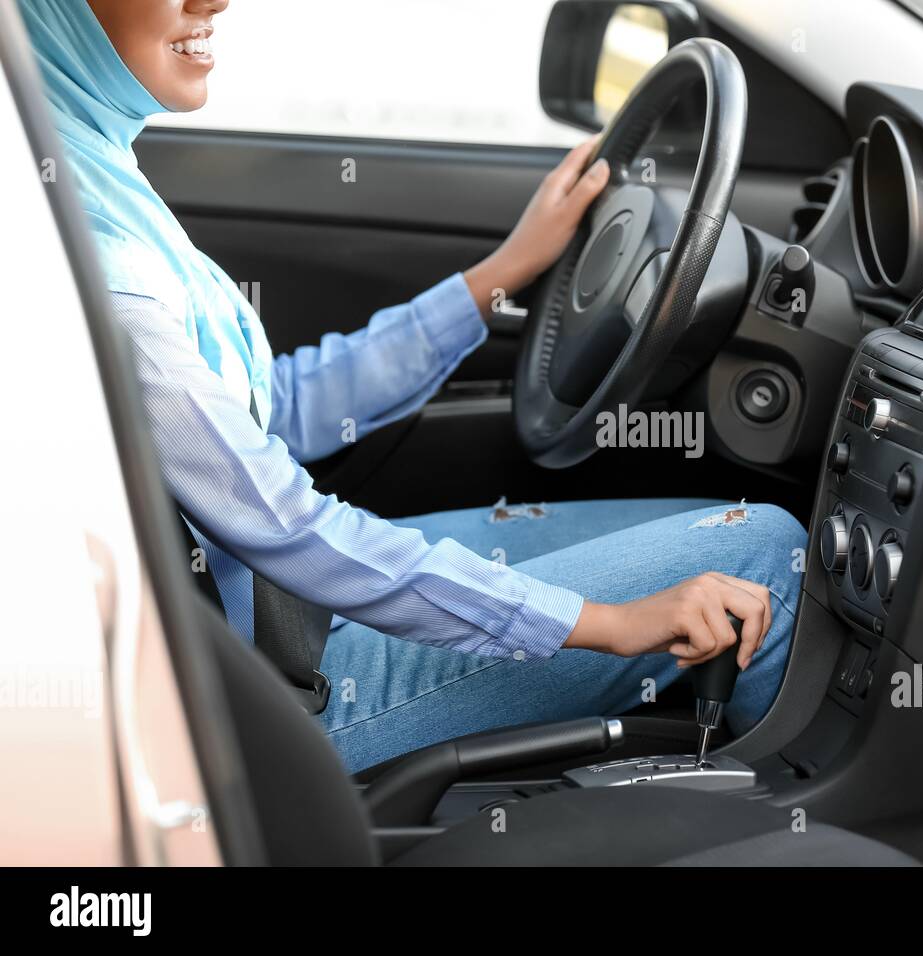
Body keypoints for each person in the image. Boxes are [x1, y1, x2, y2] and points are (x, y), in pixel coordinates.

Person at [20, 0, 805, 772]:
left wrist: (501, 274)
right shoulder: (94, 267)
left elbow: (275, 410)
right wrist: (605, 622)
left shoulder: (82, 175)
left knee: (726, 530)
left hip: (283, 630)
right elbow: (286, 526)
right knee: (763, 556)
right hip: (278, 708)